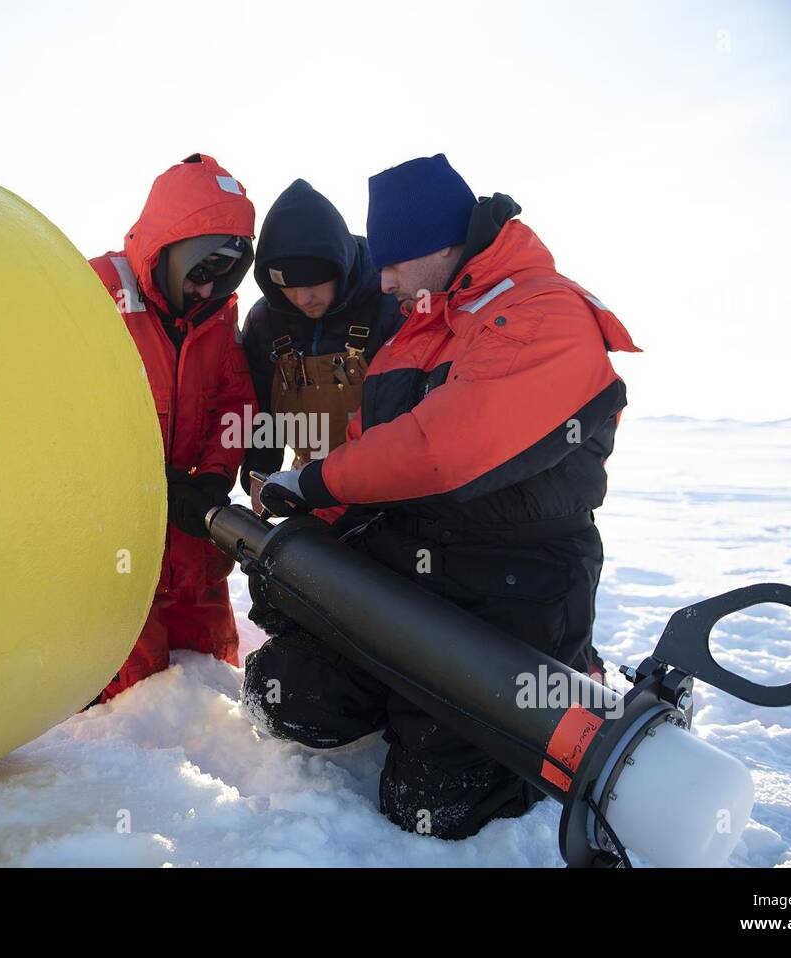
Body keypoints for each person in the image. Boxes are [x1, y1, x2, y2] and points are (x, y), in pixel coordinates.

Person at [245, 154, 639, 839]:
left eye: (395, 262)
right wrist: (308, 530)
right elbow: (371, 450)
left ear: (440, 246)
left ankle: (572, 692)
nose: (384, 278)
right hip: (413, 570)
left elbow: (437, 450)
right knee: (288, 693)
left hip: (517, 582)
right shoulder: (421, 330)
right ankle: (414, 696)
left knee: (431, 806)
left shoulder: (541, 309)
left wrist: (311, 482)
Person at [88, 153, 257, 703]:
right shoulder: (92, 290)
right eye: (202, 272)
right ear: (171, 249)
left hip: (186, 515)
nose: (209, 290)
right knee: (130, 690)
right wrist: (138, 473)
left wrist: (212, 478)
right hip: (111, 520)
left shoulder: (220, 315)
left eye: (225, 277)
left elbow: (236, 403)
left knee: (211, 679)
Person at [239, 179, 406, 492]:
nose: (303, 299)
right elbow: (261, 412)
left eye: (314, 282)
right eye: (288, 285)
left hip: (384, 485)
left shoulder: (390, 306)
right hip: (305, 484)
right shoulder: (265, 321)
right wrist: (260, 476)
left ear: (340, 267)